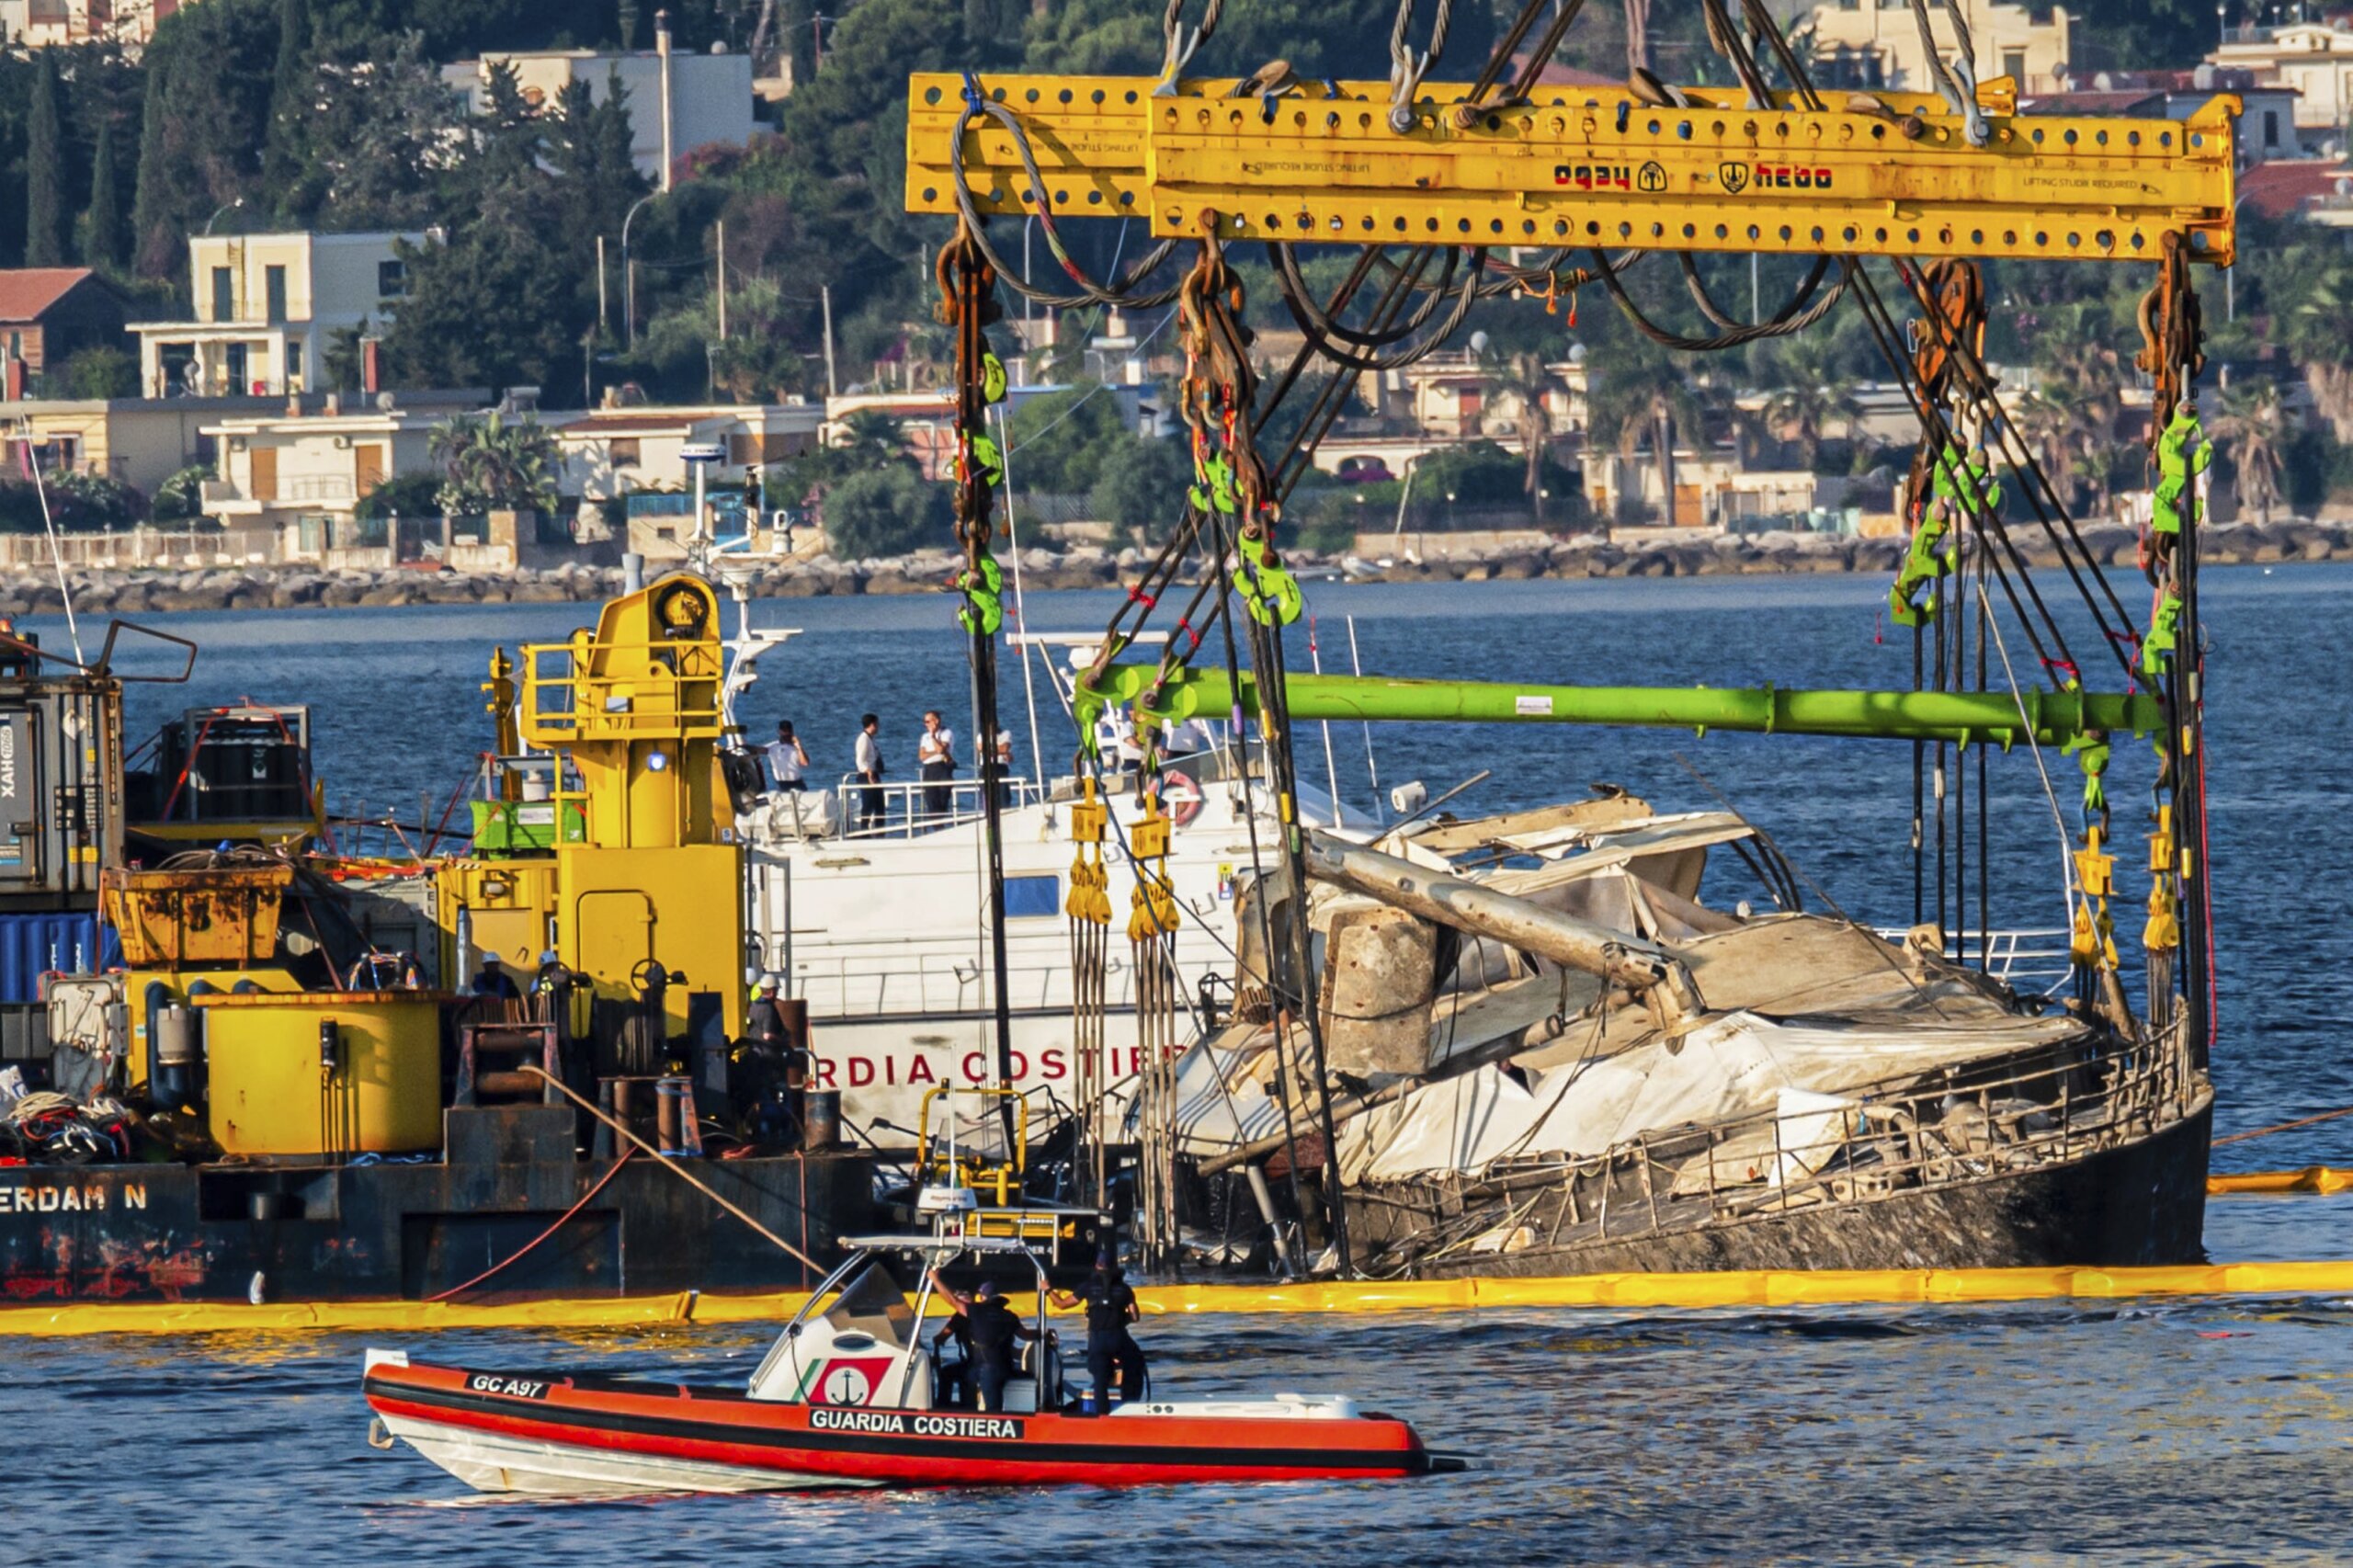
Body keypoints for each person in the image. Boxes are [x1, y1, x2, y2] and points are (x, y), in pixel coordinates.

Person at [927, 1270, 1037, 1414]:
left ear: (982, 1297)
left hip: (985, 1369)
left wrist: (935, 1279)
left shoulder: (974, 1312)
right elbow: (1026, 1335)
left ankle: (948, 1409)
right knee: (962, 1375)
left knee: (950, 1375)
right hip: (1005, 1368)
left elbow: (950, 1308)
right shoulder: (1009, 1316)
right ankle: (970, 1408)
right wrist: (1045, 1334)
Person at [1051, 1249, 1146, 1413]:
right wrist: (1122, 1320)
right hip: (1119, 1338)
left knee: (1100, 1380)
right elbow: (1135, 1316)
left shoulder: (1087, 1287)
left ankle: (1103, 1416)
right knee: (1134, 1366)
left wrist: (1047, 1290)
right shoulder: (1124, 1289)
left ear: (1097, 1266)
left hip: (1098, 1340)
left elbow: (1061, 1304)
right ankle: (1130, 1408)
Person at [932, 1304, 975, 1407]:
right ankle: (969, 1404)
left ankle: (943, 1406)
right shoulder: (990, 1314)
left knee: (946, 1373)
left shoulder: (960, 1317)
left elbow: (941, 1337)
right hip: (993, 1362)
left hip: (975, 1364)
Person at [916, 710, 957, 820]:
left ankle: (941, 823)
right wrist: (935, 752)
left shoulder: (946, 733)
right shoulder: (925, 736)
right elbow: (922, 756)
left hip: (942, 768)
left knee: (942, 799)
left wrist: (934, 736)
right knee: (931, 800)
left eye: (928, 721)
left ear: (936, 721)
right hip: (929, 769)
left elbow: (940, 749)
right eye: (925, 722)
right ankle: (936, 825)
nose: (926, 724)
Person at [853, 713, 886, 833]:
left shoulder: (871, 739)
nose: (878, 727)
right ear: (872, 725)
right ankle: (864, 828)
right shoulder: (863, 739)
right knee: (868, 803)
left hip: (874, 773)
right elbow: (860, 760)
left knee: (879, 805)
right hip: (866, 775)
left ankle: (880, 829)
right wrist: (868, 772)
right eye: (877, 724)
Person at [767, 721, 810, 793]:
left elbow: (805, 763)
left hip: (797, 783)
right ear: (779, 732)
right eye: (784, 731)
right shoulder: (773, 747)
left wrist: (798, 746)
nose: (786, 734)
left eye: (788, 731)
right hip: (782, 784)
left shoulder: (796, 748)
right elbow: (759, 750)